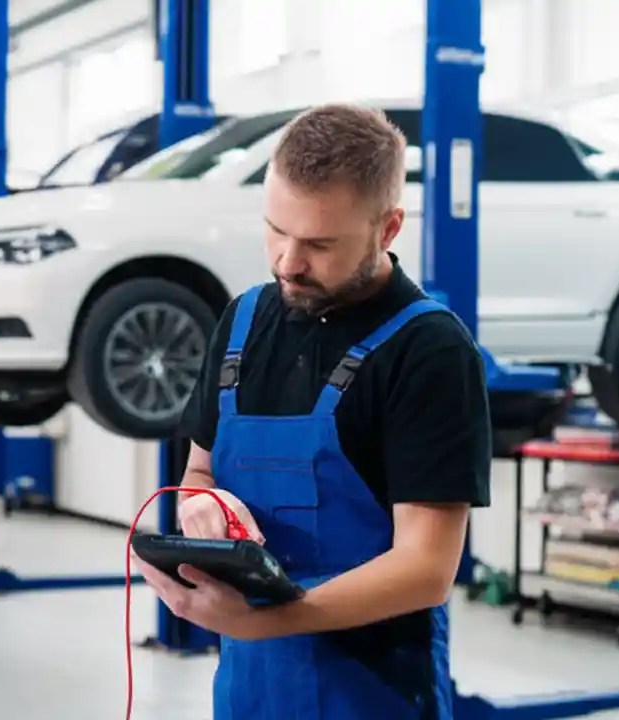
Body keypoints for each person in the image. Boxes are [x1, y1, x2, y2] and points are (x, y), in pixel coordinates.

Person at [132, 104, 492, 719]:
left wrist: (270, 621)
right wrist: (205, 508)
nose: (288, 263)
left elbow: (426, 567)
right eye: (276, 230)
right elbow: (201, 474)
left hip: (374, 699)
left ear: (388, 229)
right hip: (248, 694)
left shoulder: (428, 350)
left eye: (320, 244)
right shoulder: (242, 321)